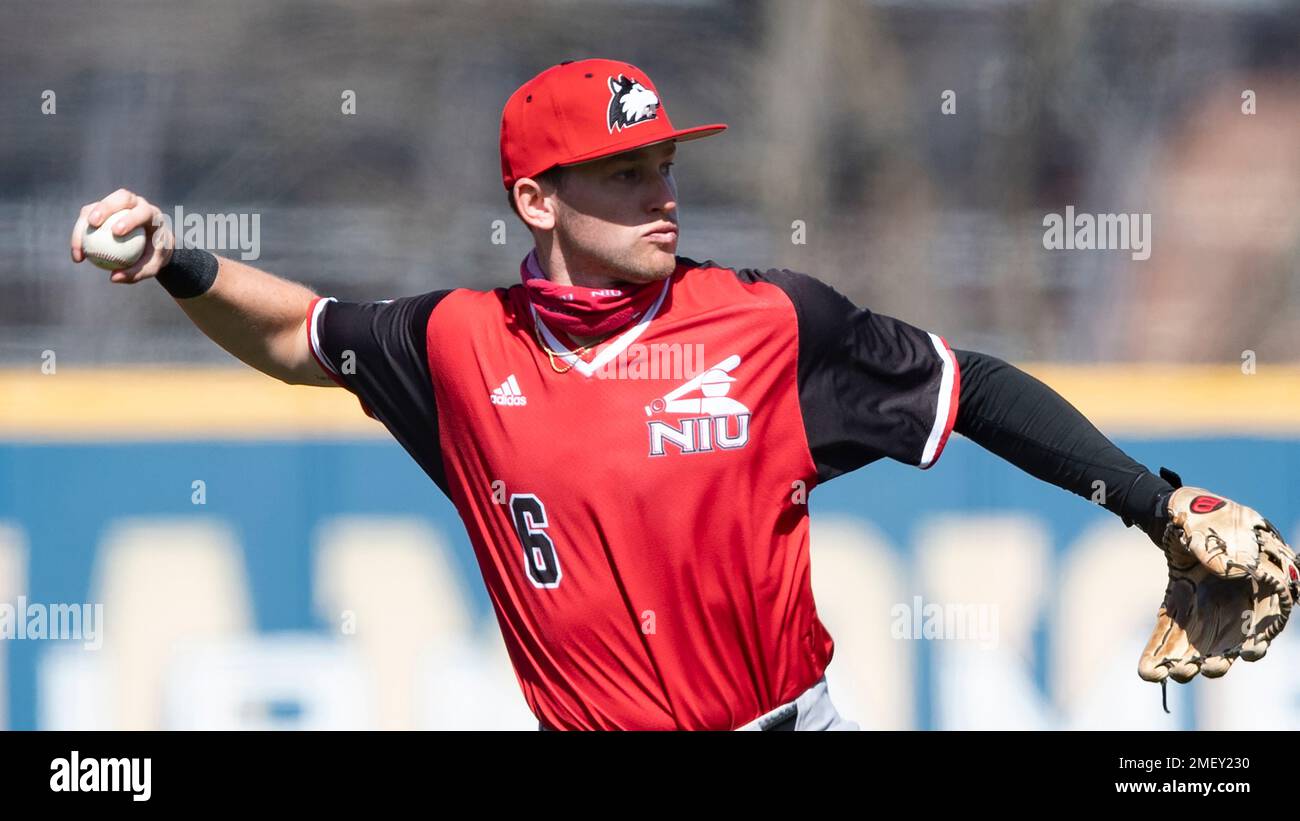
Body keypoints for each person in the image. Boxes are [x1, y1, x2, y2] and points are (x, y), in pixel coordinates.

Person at [69, 58, 1297, 731]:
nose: (661, 193)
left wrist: (1155, 499)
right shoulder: (453, 345)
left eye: (662, 163)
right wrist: (171, 258)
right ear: (535, 202)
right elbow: (294, 330)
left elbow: (969, 384)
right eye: (619, 174)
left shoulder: (769, 323)